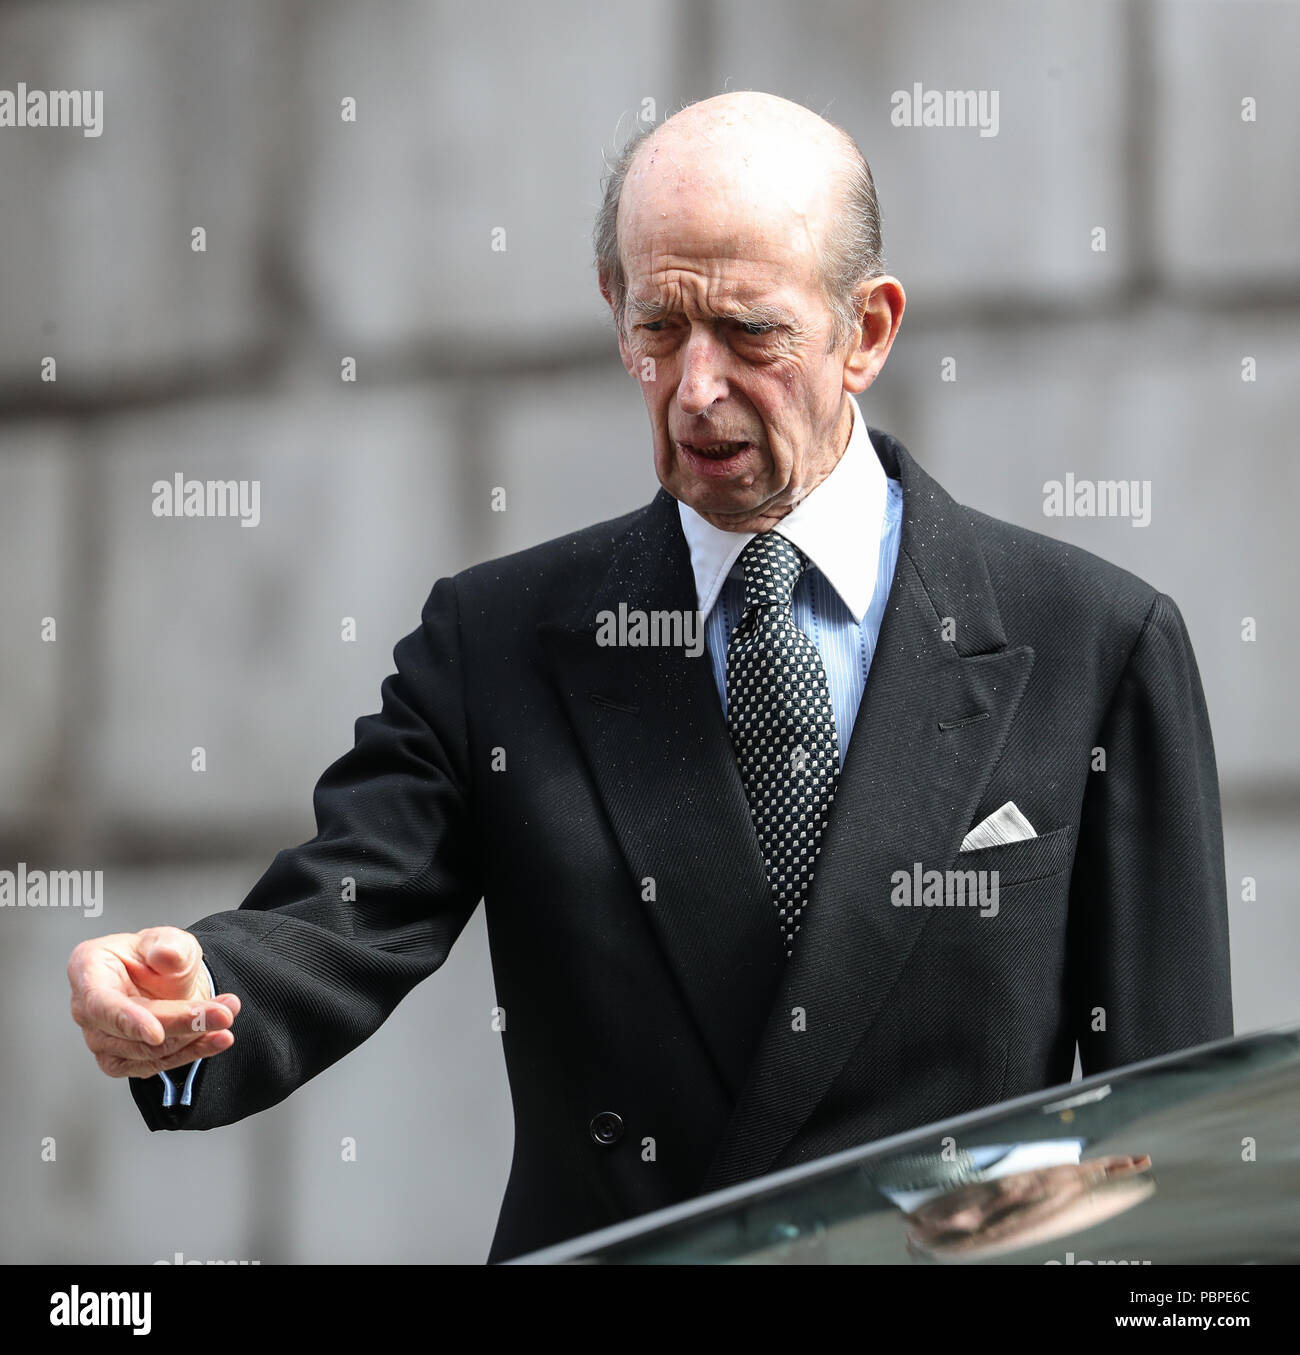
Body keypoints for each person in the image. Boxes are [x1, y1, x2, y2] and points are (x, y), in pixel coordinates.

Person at [66, 91, 1233, 1263]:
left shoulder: (1093, 640)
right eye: (658, 325)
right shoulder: (499, 639)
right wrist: (186, 992)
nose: (696, 387)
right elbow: (348, 905)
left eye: (749, 331)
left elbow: (1169, 1134)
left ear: (866, 331)